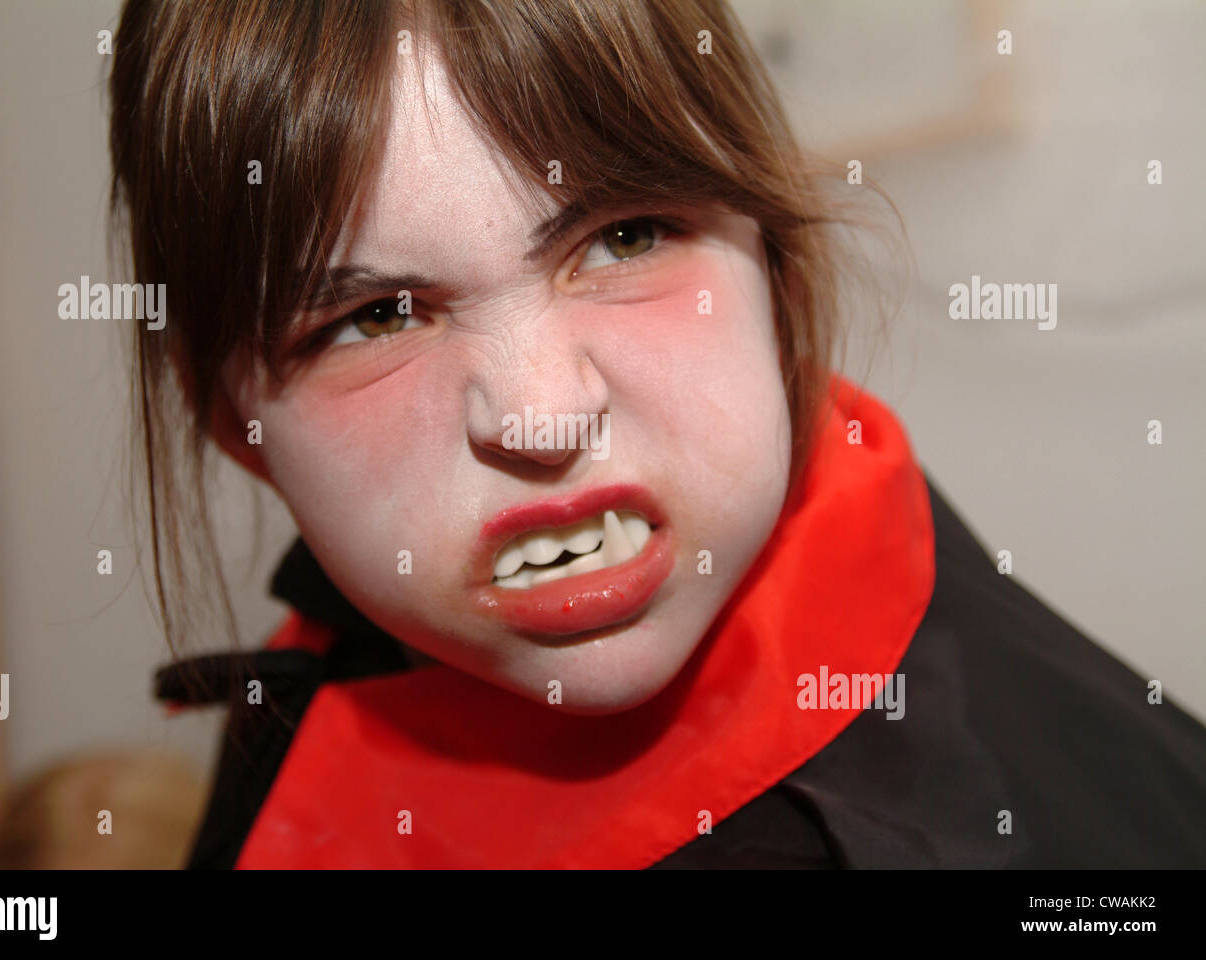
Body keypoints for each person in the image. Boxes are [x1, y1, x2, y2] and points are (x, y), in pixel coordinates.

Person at [109, 0, 1206, 868]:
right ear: (233, 420)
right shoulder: (344, 652)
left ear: (768, 261)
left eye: (625, 237)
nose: (541, 416)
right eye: (375, 317)